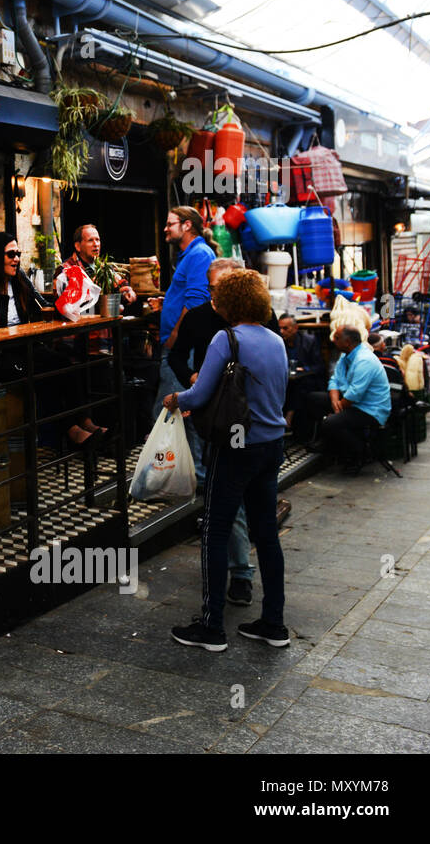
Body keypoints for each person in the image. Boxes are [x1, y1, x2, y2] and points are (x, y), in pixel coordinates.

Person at [164, 269, 289, 651]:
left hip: (236, 447)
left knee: (214, 530)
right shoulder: (275, 340)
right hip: (272, 444)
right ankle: (273, 623)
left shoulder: (226, 338)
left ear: (230, 302)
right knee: (266, 534)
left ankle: (211, 626)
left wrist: (175, 400)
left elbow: (199, 395)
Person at [0, 232, 107, 449]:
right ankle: (71, 430)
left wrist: (65, 300)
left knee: (64, 363)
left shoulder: (19, 282)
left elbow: (41, 306)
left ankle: (84, 420)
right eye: (10, 254)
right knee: (41, 375)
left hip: (23, 348)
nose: (16, 259)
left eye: (18, 254)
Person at [149, 207, 216, 475]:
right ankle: (193, 473)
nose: (165, 228)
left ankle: (175, 475)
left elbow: (196, 301)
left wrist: (176, 336)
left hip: (181, 348)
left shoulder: (199, 254)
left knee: (168, 409)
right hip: (178, 345)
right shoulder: (191, 255)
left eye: (170, 223)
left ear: (187, 226)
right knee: (179, 411)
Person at [309, 326, 391, 473]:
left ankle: (359, 452)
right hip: (351, 401)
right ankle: (328, 443)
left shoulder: (364, 360)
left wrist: (338, 408)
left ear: (347, 342)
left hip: (371, 409)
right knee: (314, 399)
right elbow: (335, 380)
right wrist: (335, 402)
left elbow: (355, 394)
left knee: (330, 423)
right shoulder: (346, 355)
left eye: (337, 338)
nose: (333, 340)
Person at [279, 314, 327, 436]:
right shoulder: (279, 343)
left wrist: (304, 369)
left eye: (285, 328)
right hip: (288, 379)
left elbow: (319, 366)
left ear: (295, 328)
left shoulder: (309, 341)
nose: (281, 331)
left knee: (298, 386)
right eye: (280, 328)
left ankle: (288, 420)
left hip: (309, 379)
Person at [66, 224, 136, 303]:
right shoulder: (66, 269)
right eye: (90, 240)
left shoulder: (103, 267)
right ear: (78, 246)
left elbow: (119, 280)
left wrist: (127, 291)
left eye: (97, 240)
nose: (96, 244)